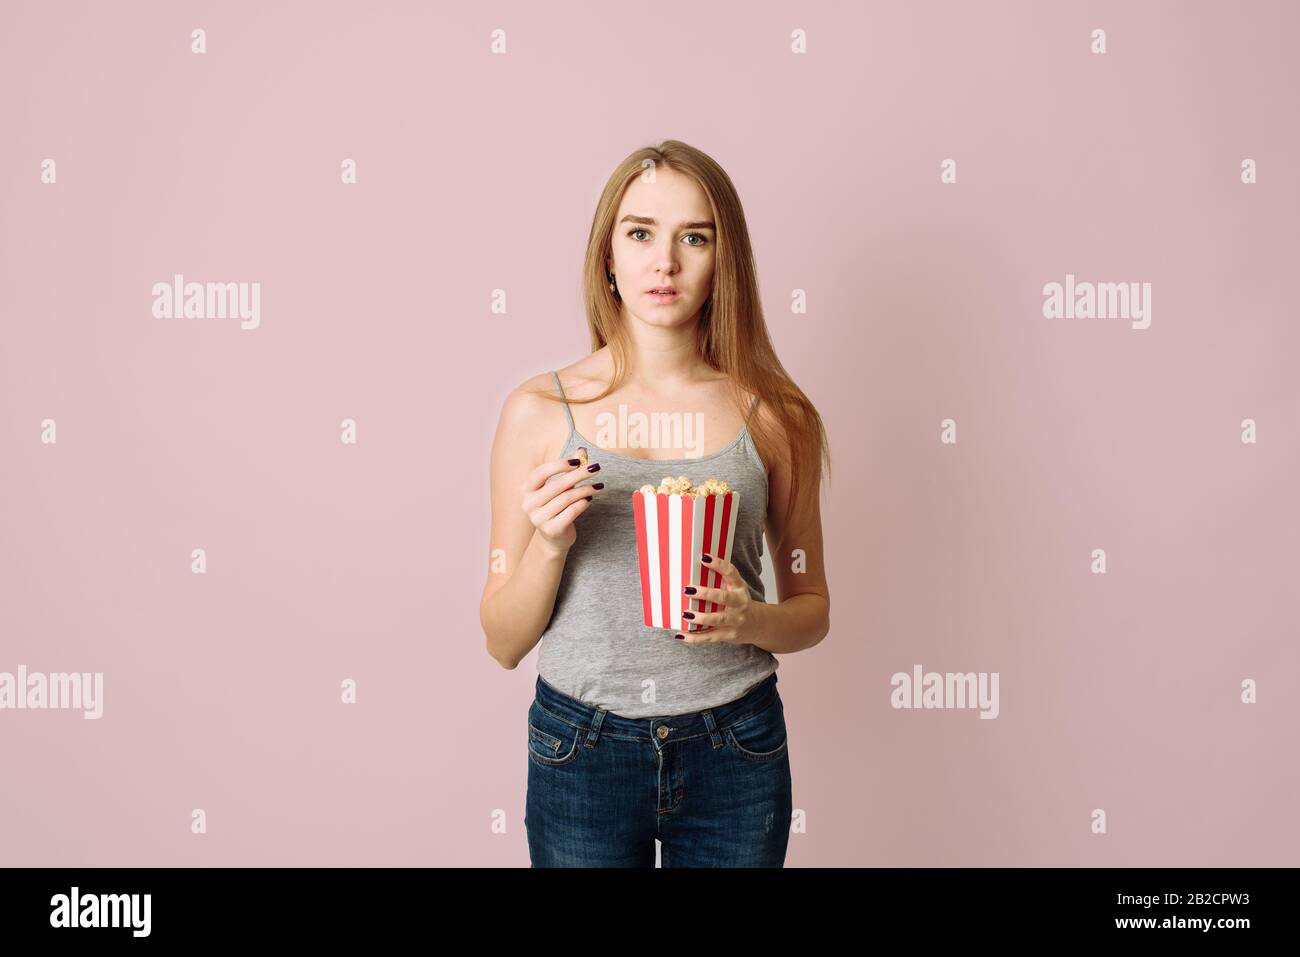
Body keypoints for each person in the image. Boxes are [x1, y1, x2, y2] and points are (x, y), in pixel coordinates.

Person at [480, 140, 831, 867]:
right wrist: (548, 546)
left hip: (735, 747)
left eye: (693, 237)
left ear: (721, 259)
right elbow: (503, 640)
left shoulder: (775, 414)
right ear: (608, 255)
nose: (664, 262)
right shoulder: (540, 411)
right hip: (581, 748)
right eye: (640, 233)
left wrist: (752, 617)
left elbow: (813, 608)